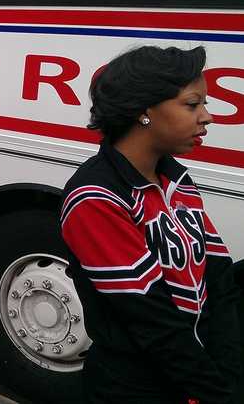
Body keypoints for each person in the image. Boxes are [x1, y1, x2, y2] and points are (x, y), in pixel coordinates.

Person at [61, 45, 241, 403]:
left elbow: (218, 281)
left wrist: (229, 372)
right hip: (135, 389)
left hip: (195, 376)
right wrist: (220, 394)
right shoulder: (94, 198)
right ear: (144, 110)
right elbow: (151, 321)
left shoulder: (177, 180)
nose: (207, 117)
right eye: (193, 105)